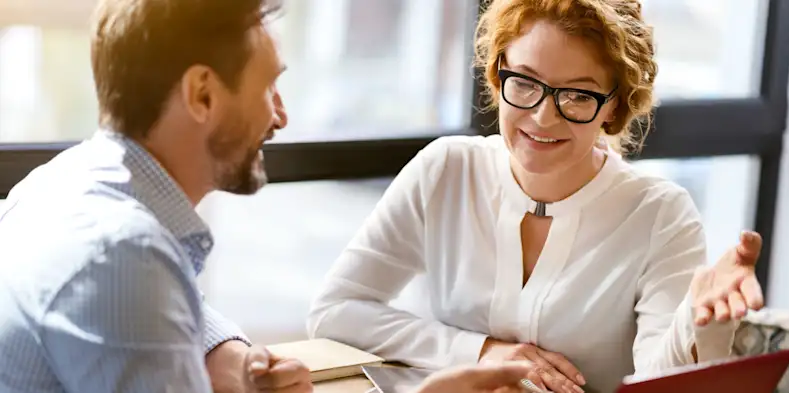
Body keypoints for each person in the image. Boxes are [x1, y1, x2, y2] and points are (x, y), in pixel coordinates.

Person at [0, 1, 550, 392]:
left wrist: (227, 357)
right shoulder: (123, 257)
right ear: (202, 94)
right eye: (268, 87)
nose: (280, 115)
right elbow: (134, 283)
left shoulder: (63, 182)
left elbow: (158, 299)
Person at [307, 1, 766, 393]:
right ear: (497, 72)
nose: (543, 117)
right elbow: (335, 311)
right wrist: (483, 352)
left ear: (613, 105)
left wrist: (698, 317)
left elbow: (655, 381)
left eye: (578, 95)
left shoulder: (660, 214)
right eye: (524, 82)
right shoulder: (446, 170)